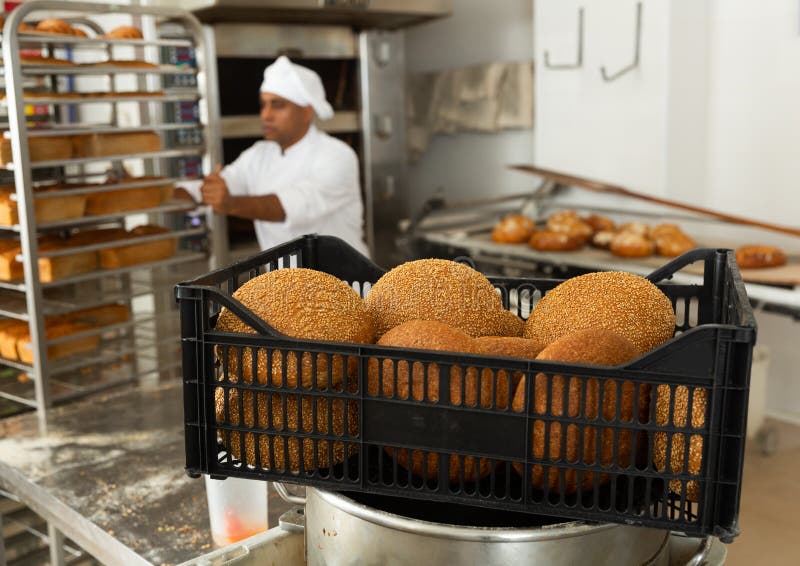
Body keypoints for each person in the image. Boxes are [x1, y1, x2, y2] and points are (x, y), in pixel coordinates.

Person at [177, 56, 369, 256]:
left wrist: (230, 203)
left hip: (344, 280)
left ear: (306, 112)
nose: (265, 115)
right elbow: (214, 188)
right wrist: (159, 197)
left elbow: (289, 207)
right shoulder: (258, 155)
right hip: (283, 284)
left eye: (277, 105)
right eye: (264, 104)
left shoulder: (337, 155)